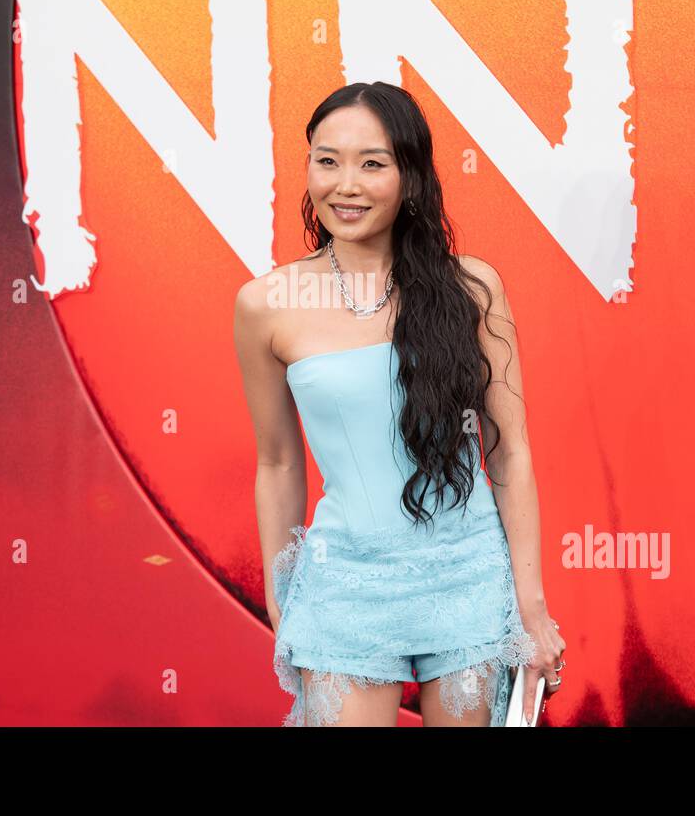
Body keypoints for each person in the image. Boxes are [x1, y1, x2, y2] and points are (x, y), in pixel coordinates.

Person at [233, 81, 565, 726]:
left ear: (411, 178)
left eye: (372, 163)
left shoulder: (471, 288)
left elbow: (509, 451)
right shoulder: (265, 304)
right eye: (327, 161)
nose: (346, 184)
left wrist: (532, 609)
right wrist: (283, 604)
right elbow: (277, 463)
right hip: (345, 586)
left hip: (469, 578)